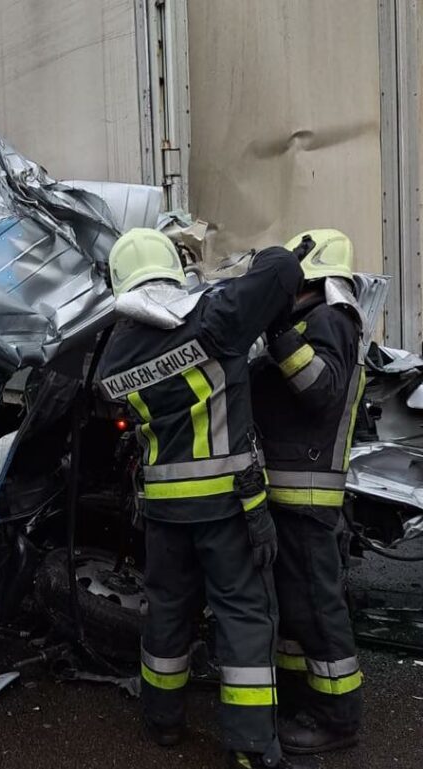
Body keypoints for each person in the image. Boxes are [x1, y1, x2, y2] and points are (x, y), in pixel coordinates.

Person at [96, 228, 302, 769]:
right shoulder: (213, 318)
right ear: (170, 267)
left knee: (166, 611)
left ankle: (162, 721)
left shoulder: (110, 362)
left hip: (164, 512)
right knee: (243, 616)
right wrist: (249, 261)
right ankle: (252, 746)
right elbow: (281, 270)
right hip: (229, 505)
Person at [250, 229, 365, 755]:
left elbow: (320, 389)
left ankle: (338, 718)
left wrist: (277, 335)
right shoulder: (311, 319)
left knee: (318, 608)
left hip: (308, 492)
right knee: (297, 607)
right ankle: (302, 694)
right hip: (290, 491)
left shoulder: (330, 318)